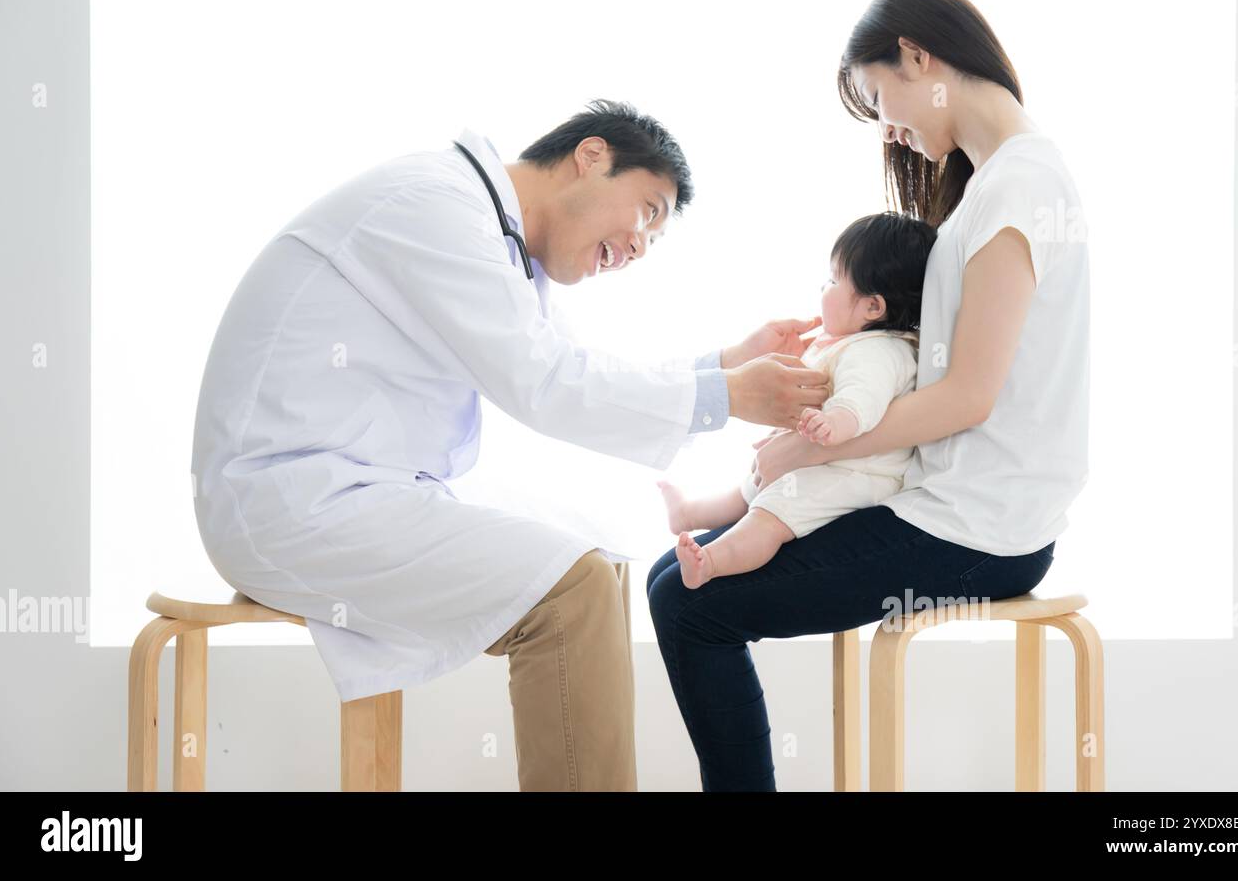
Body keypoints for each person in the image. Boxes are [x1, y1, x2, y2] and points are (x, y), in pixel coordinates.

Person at [190, 99, 832, 791]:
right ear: (592, 156)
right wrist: (729, 394)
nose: (642, 246)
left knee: (599, 560)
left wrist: (726, 366)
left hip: (346, 490)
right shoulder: (438, 206)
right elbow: (549, 382)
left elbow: (563, 365)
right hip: (283, 502)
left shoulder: (486, 233)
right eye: (648, 211)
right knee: (573, 587)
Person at [647, 0, 1090, 791]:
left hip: (980, 530)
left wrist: (805, 456)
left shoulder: (1019, 187)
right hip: (956, 507)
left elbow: (969, 398)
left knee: (689, 605)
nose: (889, 125)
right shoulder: (995, 187)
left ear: (919, 58)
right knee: (670, 580)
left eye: (880, 97)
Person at [655, 212, 935, 589]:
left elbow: (862, 400)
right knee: (747, 490)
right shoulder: (851, 343)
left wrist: (835, 422)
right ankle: (687, 515)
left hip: (857, 476)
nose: (824, 287)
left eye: (834, 280)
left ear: (872, 308)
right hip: (822, 464)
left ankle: (713, 563)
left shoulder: (881, 353)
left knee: (770, 515)